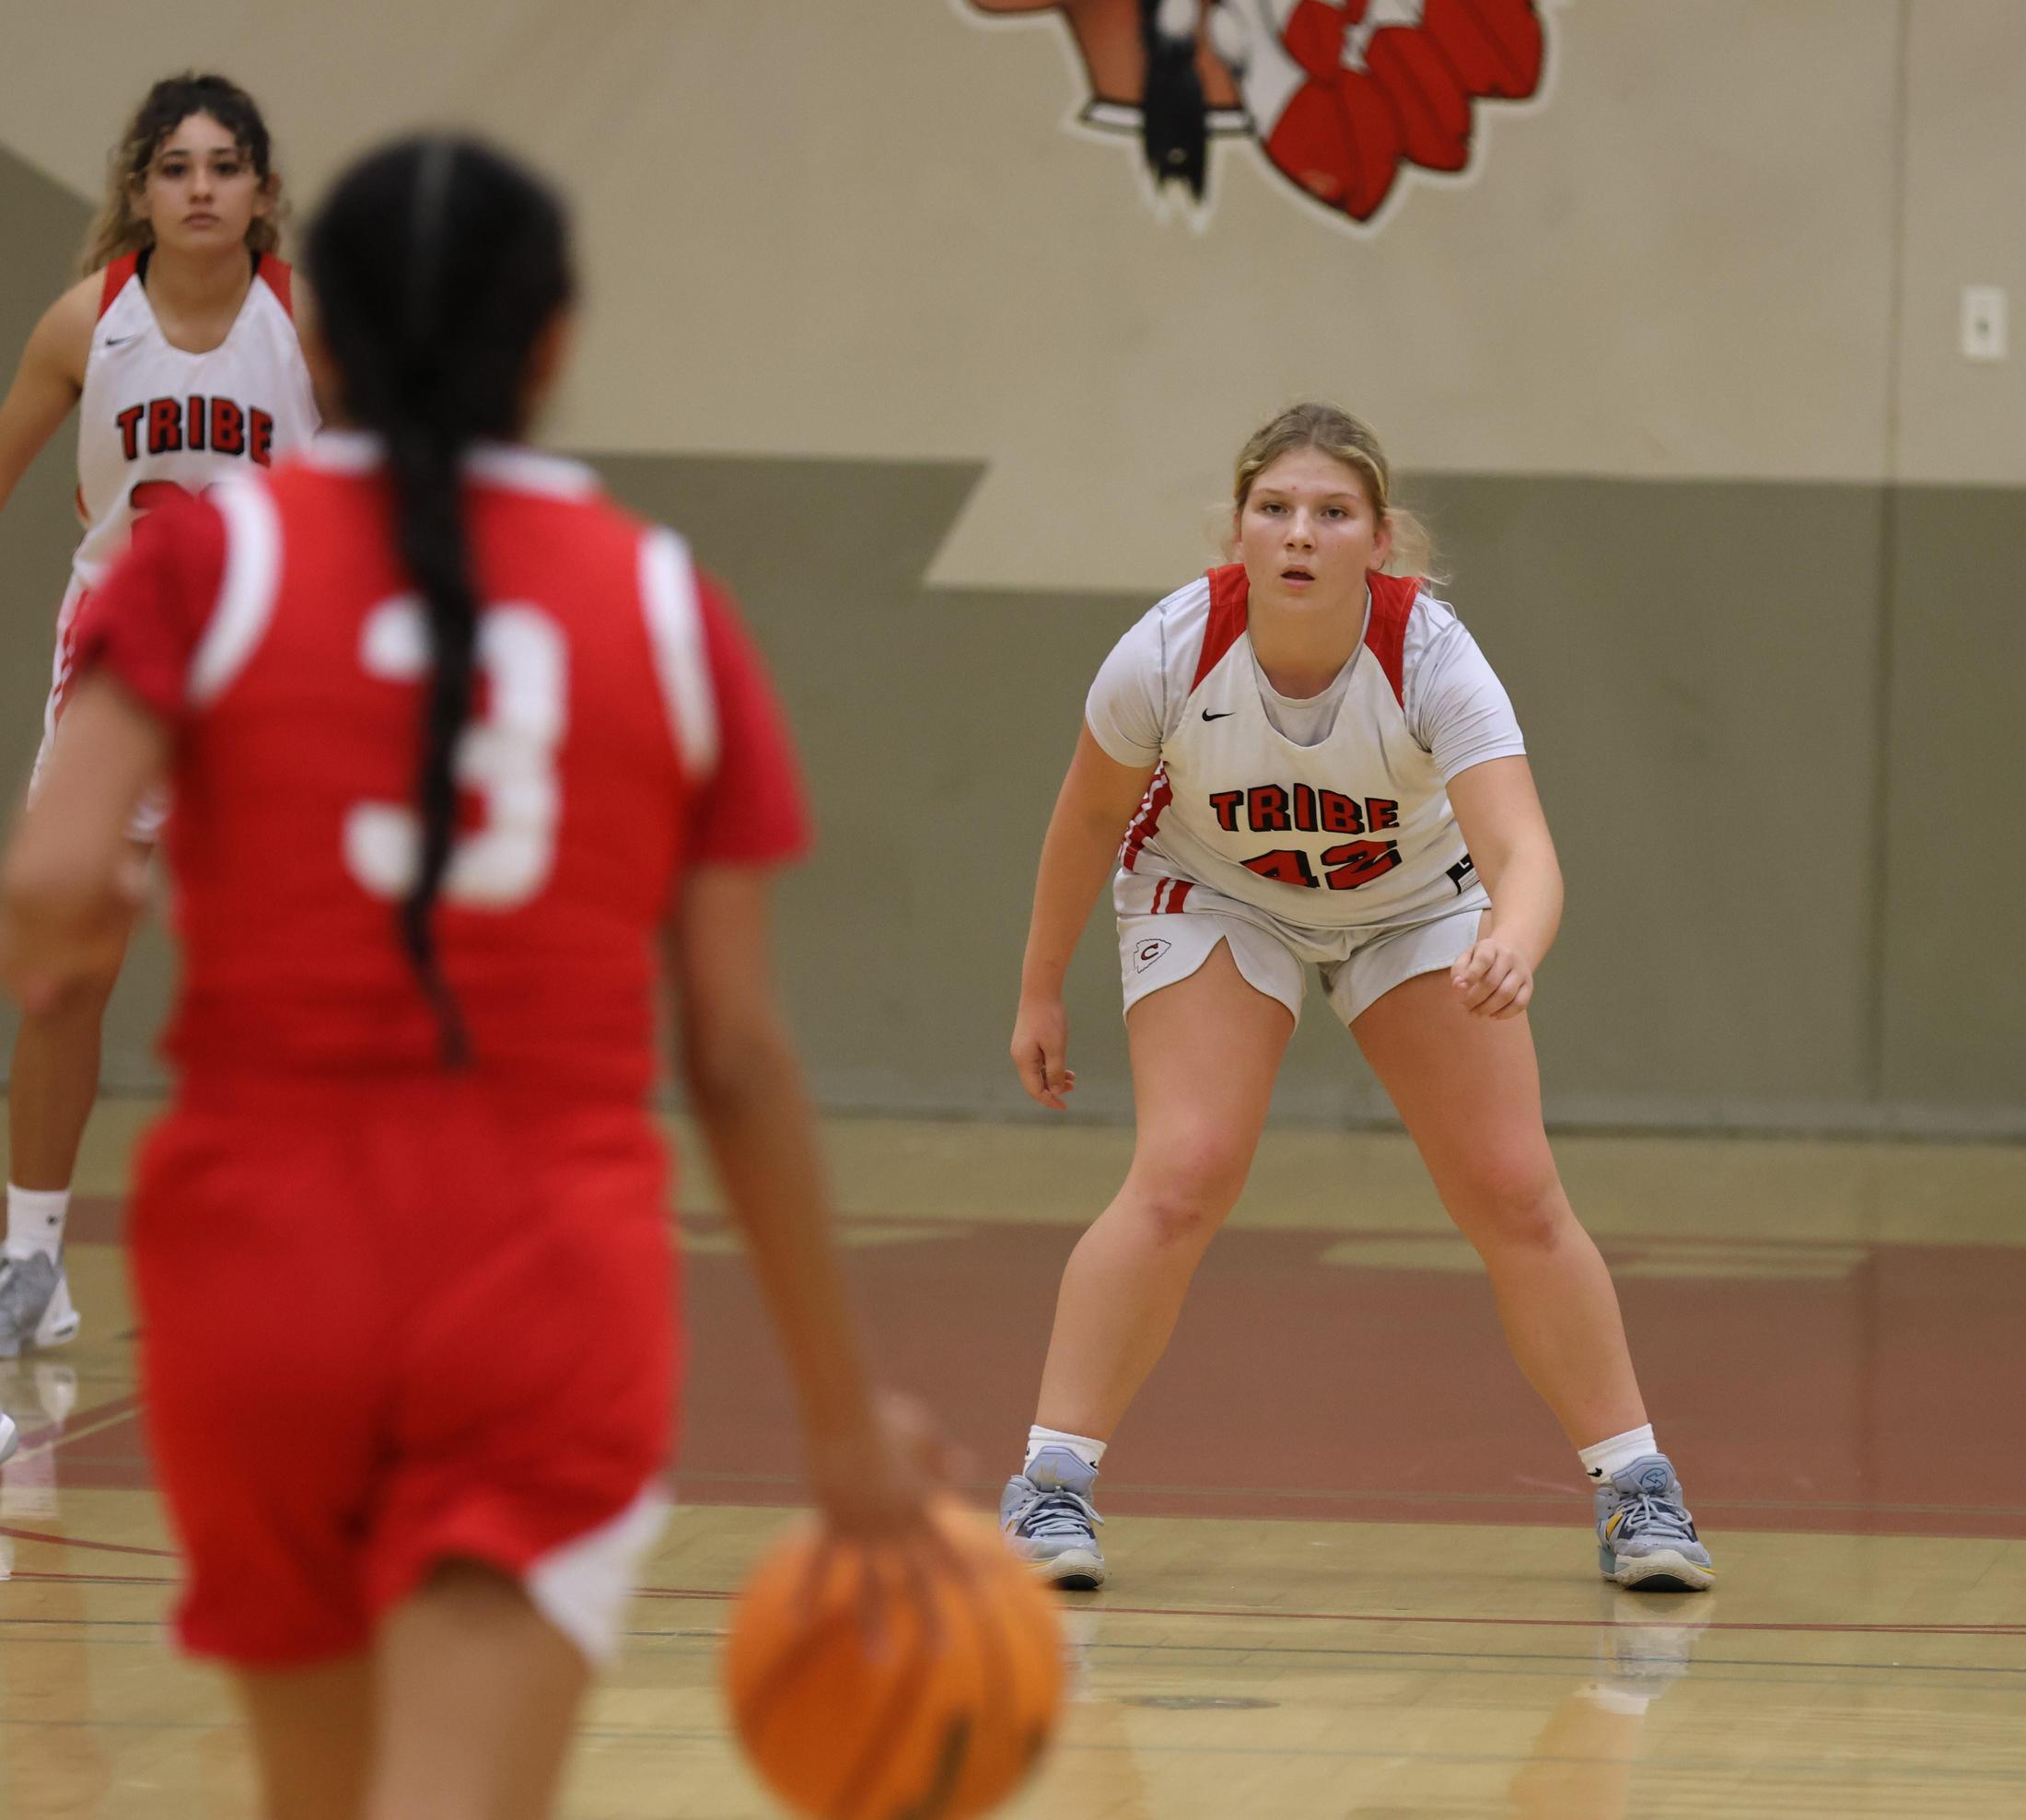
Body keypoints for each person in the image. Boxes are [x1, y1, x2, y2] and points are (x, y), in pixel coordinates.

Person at [0, 135, 937, 1819]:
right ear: (554, 343)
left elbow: (54, 895)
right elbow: (734, 1054)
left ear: (321, 339)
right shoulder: (658, 601)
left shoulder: (208, 567)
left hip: (263, 1274)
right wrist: (840, 1416)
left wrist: (114, 917)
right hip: (535, 1277)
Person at [999, 402, 1714, 1594]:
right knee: (1185, 1171)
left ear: (1381, 542)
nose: (1300, 532)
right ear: (1238, 530)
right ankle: (1050, 1485)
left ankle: (1638, 1489)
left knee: (1513, 1188)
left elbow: (1523, 849)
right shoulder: (1168, 651)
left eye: (1333, 513)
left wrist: (1514, 940)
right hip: (1215, 889)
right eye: (1275, 507)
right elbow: (1086, 817)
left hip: (1412, 904)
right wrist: (1038, 990)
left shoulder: (1431, 657)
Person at [0, 72, 318, 1359]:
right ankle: (30, 1258)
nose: (200, 189)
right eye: (176, 168)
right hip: (120, 684)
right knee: (66, 972)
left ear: (262, 192)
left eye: (223, 167)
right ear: (140, 192)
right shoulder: (88, 324)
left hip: (268, 681)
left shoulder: (306, 325)